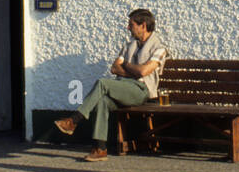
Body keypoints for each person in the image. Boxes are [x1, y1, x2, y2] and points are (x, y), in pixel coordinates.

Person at [54, 8, 167, 161]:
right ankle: (100, 148)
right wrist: (134, 70)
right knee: (103, 101)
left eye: (131, 24)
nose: (128, 28)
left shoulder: (159, 48)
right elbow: (114, 68)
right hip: (125, 87)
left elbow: (144, 71)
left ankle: (74, 120)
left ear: (144, 25)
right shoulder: (129, 46)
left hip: (141, 91)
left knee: (102, 83)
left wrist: (126, 64)